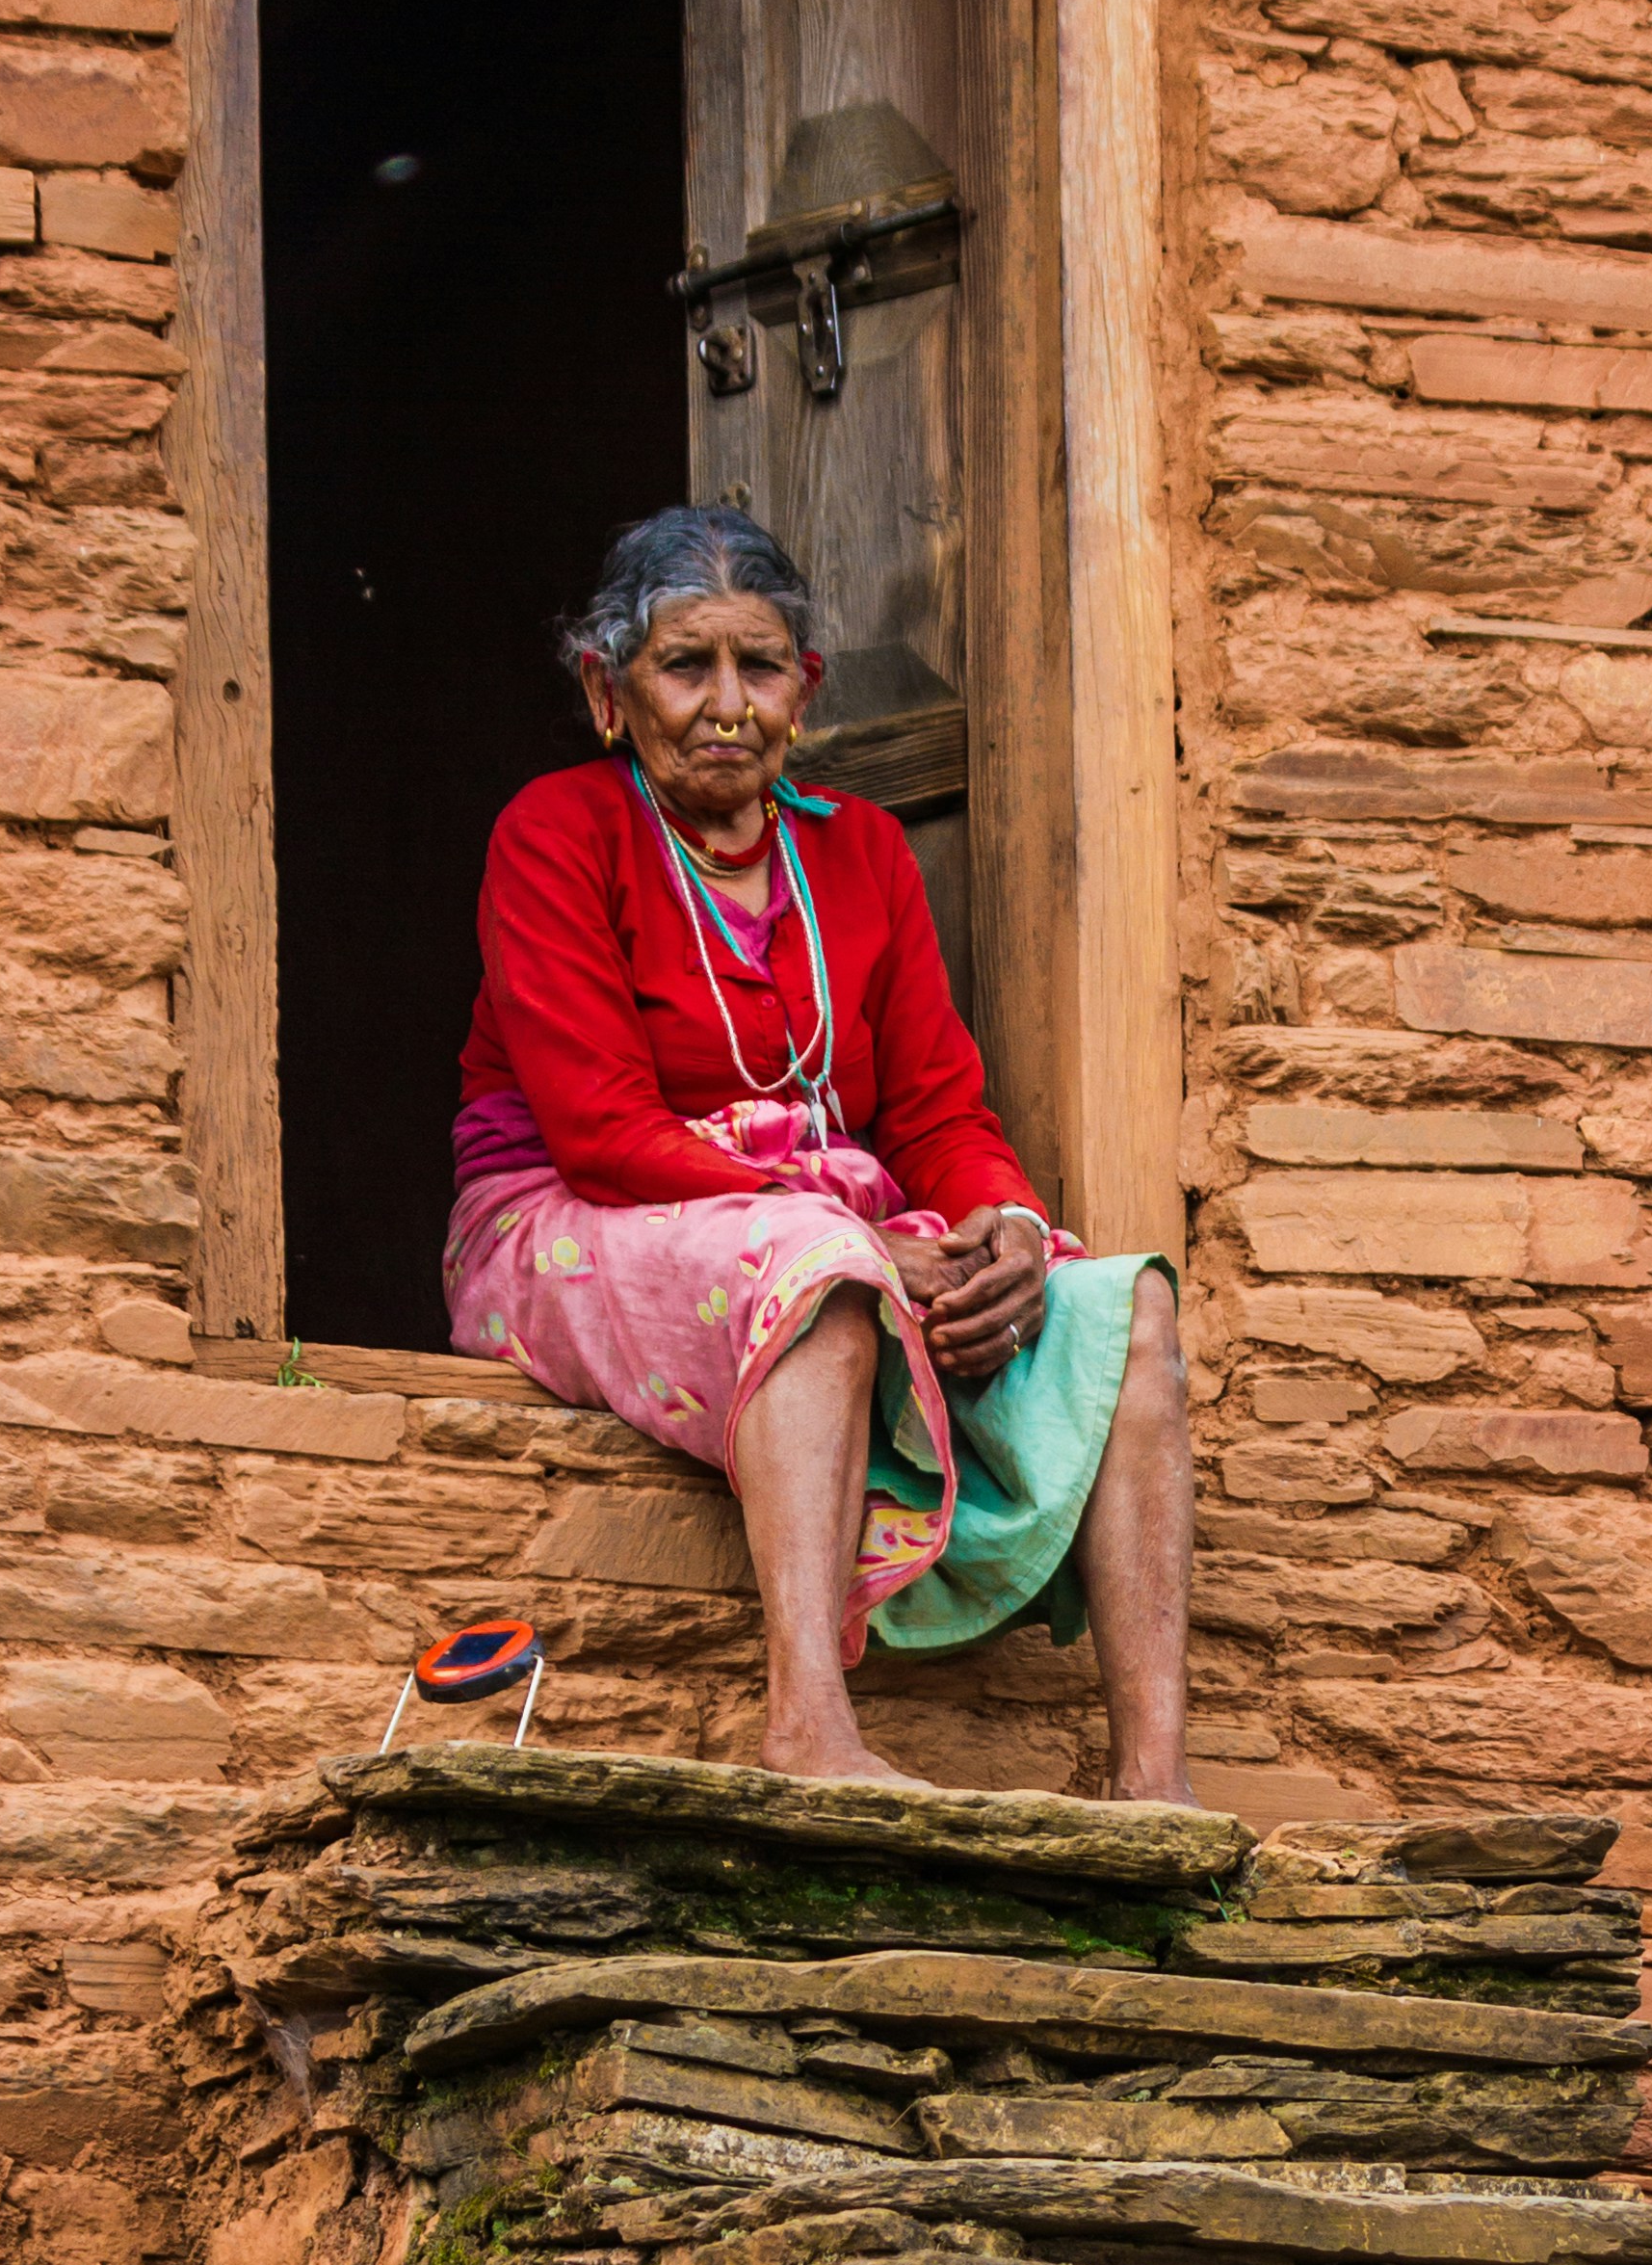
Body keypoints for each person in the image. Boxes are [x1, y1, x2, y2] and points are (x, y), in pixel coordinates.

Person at [446, 503, 1195, 1801]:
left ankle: (1157, 1780)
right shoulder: (557, 833)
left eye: (763, 666)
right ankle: (810, 1723)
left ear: (809, 689)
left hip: (838, 1223)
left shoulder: (860, 853)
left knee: (1123, 1305)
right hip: (568, 1217)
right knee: (823, 1273)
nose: (729, 702)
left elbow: (940, 1115)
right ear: (607, 690)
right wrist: (861, 1242)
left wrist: (1006, 1229)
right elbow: (602, 1130)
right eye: (688, 666)